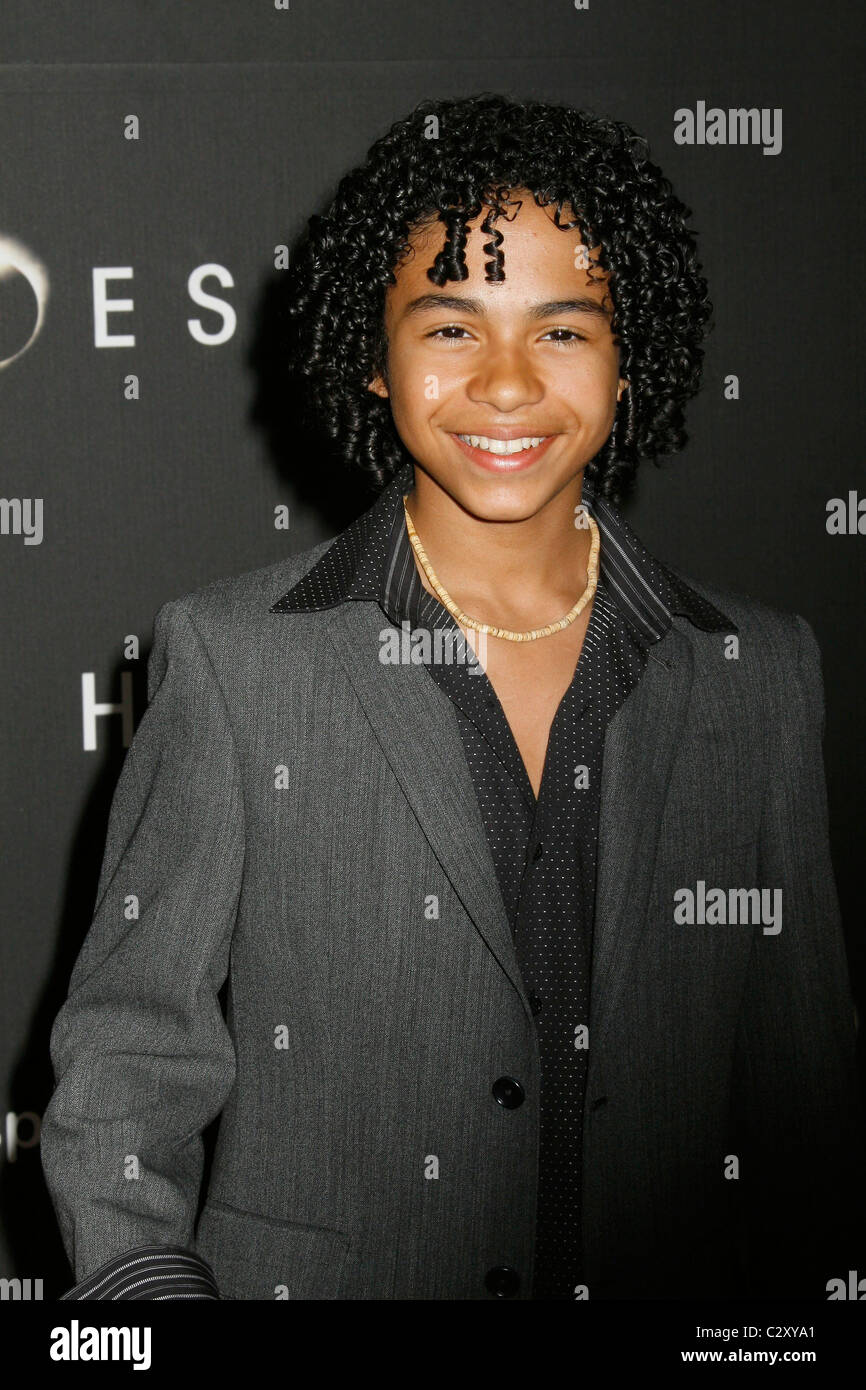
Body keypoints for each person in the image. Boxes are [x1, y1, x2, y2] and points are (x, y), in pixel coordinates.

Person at [41, 93, 864, 1300]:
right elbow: (126, 1064)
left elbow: (803, 1103)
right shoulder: (236, 660)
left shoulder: (761, 670)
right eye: (449, 328)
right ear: (375, 359)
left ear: (632, 355)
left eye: (563, 331)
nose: (506, 384)